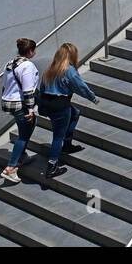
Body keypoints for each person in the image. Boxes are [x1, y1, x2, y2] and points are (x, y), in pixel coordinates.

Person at [38, 42, 99, 179]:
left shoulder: (50, 69)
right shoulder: (69, 70)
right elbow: (80, 87)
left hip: (48, 103)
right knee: (57, 136)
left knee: (75, 113)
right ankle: (52, 166)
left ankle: (67, 143)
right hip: (60, 104)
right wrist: (93, 98)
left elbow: (42, 88)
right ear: (72, 55)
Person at [0, 38, 40, 184]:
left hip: (9, 102)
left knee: (27, 128)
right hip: (21, 104)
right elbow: (28, 90)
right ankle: (11, 168)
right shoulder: (27, 66)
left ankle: (21, 156)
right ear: (30, 51)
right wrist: (30, 109)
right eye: (34, 50)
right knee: (24, 134)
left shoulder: (10, 63)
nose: (35, 52)